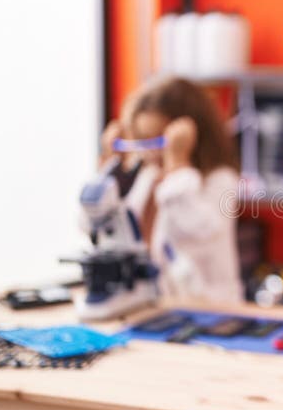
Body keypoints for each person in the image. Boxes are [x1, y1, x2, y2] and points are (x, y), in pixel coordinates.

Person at [100, 76, 244, 305]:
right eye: (142, 141)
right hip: (157, 305)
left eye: (158, 142)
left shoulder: (220, 179)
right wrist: (111, 168)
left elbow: (198, 230)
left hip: (212, 308)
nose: (151, 154)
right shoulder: (147, 177)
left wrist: (177, 163)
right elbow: (104, 230)